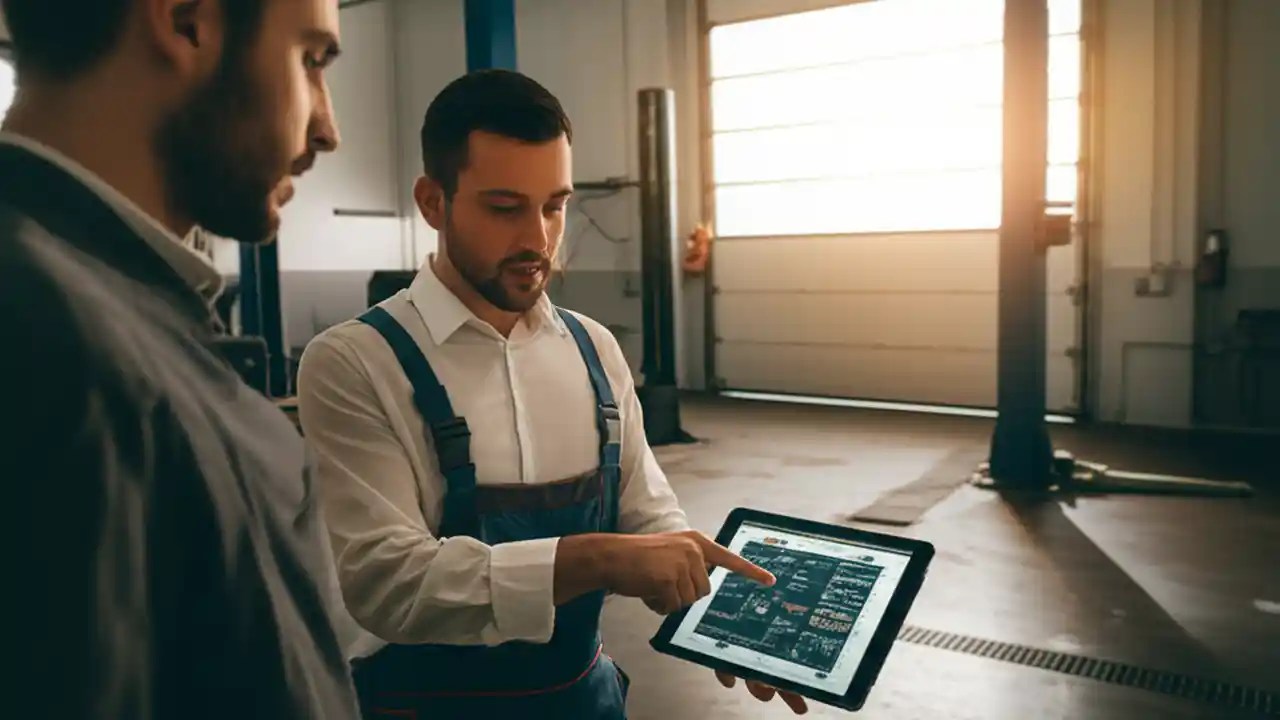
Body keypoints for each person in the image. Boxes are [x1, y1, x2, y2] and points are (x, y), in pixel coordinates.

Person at [296, 69, 808, 718]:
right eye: (505, 208)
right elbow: (386, 581)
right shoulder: (354, 363)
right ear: (433, 202)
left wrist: (727, 623)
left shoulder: (595, 351)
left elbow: (646, 510)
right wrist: (593, 559)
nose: (538, 239)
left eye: (556, 204)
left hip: (586, 702)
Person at [0, 1, 360, 718]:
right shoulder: (62, 355)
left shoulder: (111, 311)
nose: (328, 127)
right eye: (310, 59)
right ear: (187, 20)